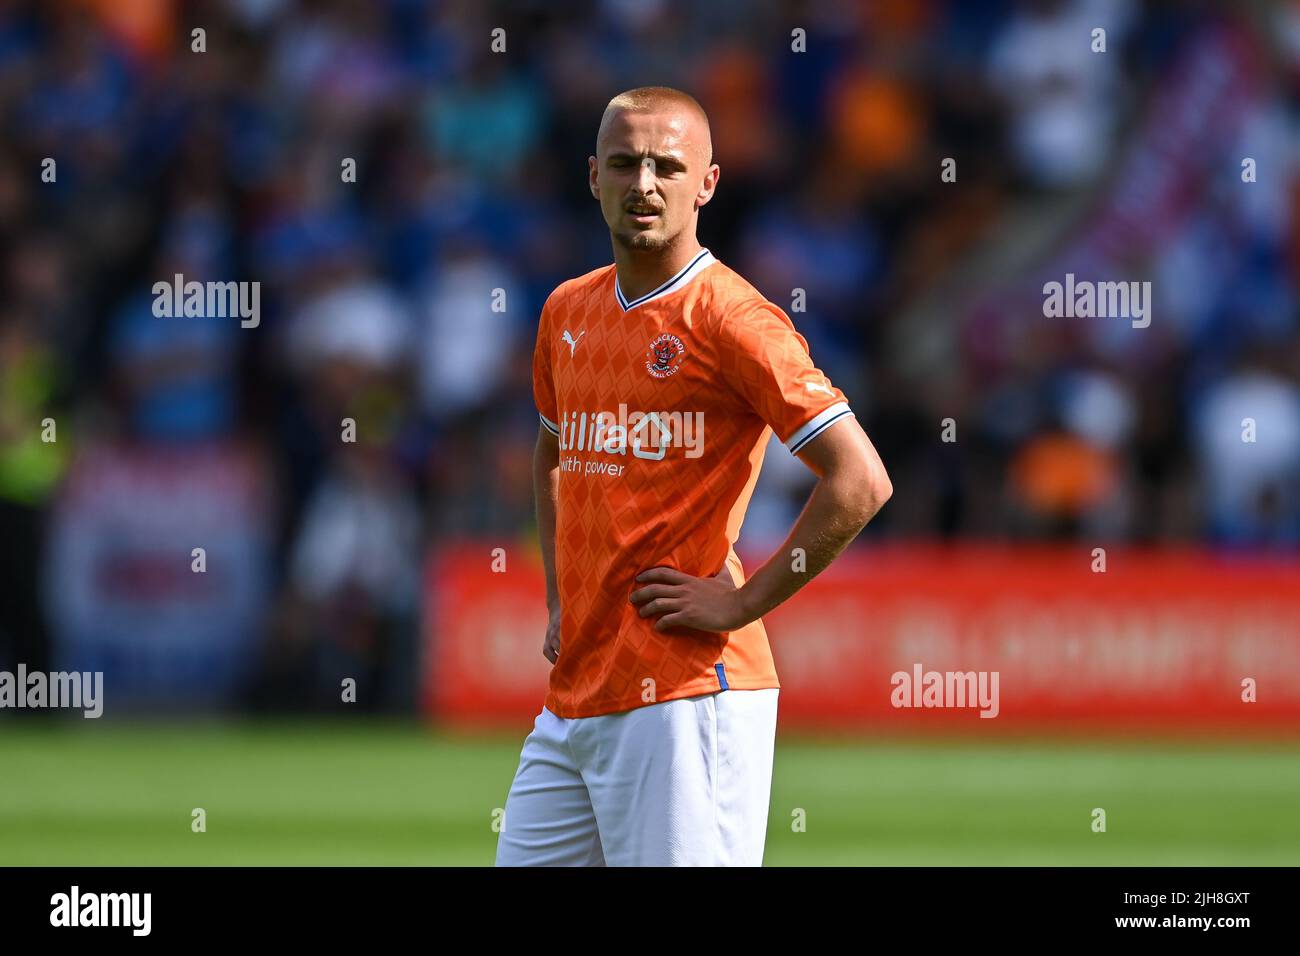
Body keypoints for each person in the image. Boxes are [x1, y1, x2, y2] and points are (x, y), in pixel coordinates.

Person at [495, 87, 892, 866]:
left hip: (686, 692)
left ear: (706, 183)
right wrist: (558, 594)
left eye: (667, 166)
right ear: (593, 176)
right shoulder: (566, 311)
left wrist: (744, 601)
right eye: (625, 163)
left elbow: (860, 480)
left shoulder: (732, 320)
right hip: (578, 691)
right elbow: (553, 452)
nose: (644, 182)